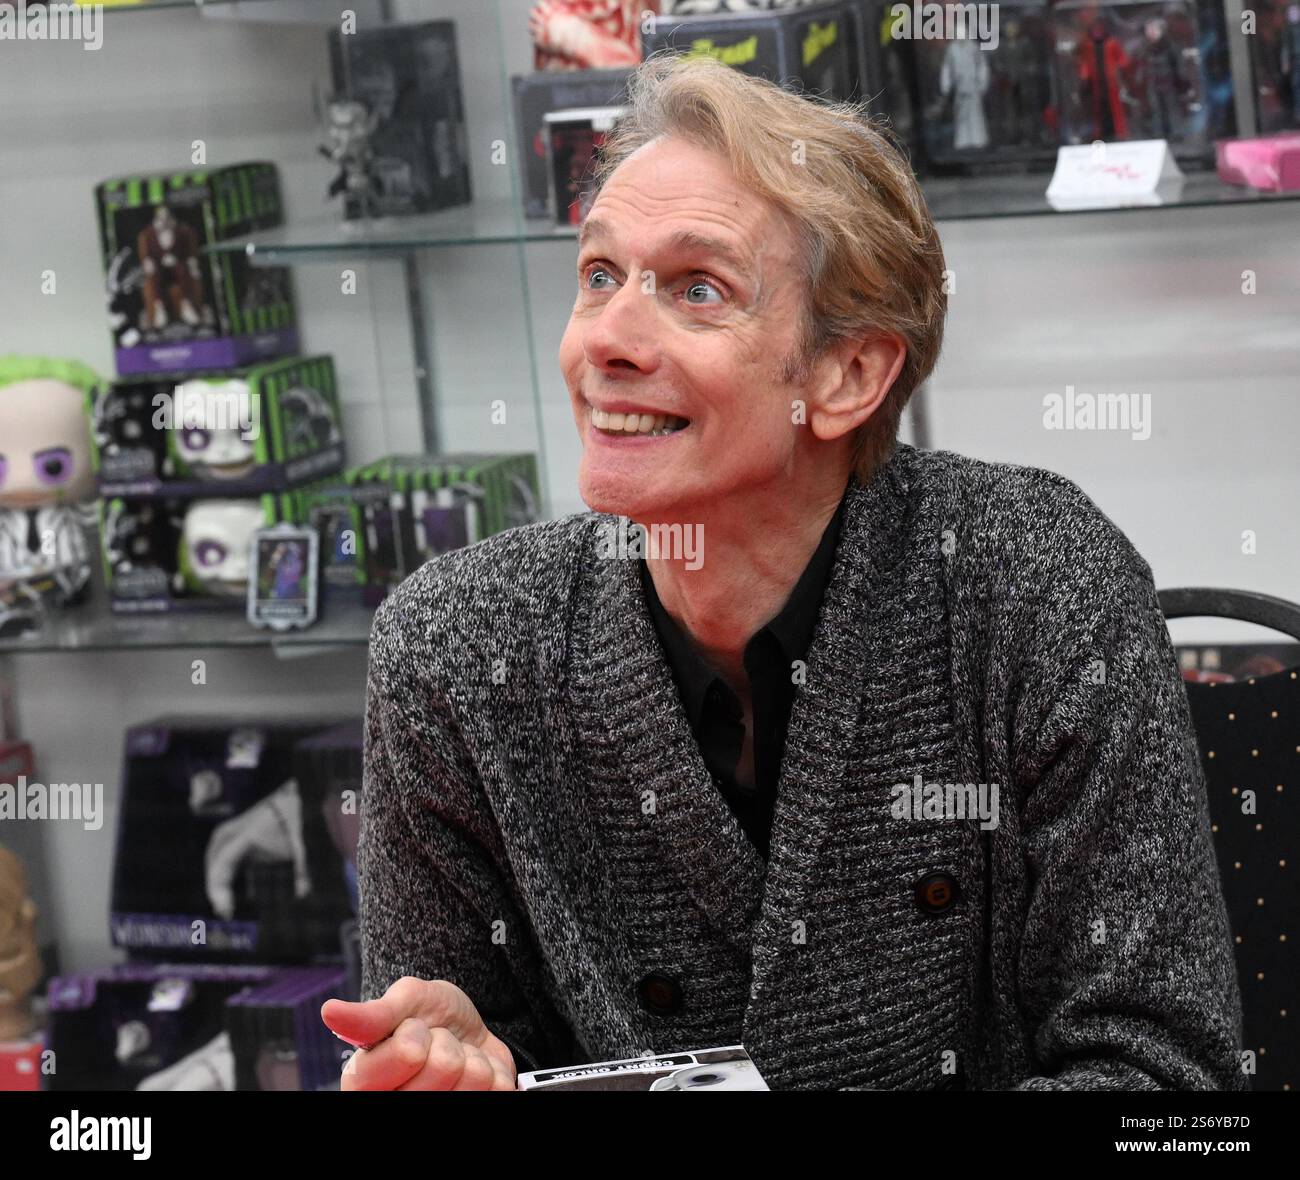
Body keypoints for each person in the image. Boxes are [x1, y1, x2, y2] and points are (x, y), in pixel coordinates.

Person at [320, 54, 1244, 1091]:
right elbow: (472, 1048)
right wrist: (464, 1063)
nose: (605, 341)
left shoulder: (1038, 582)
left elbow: (1168, 1081)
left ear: (847, 374)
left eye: (696, 288)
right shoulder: (451, 650)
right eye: (598, 275)